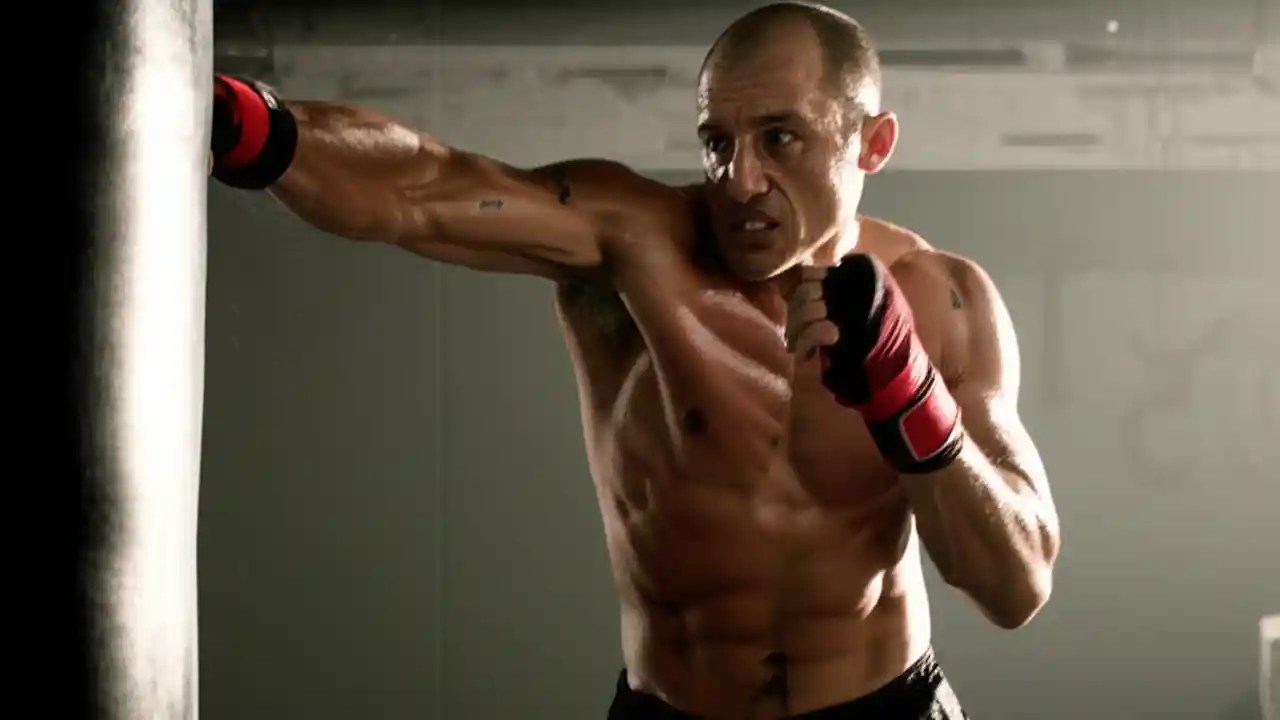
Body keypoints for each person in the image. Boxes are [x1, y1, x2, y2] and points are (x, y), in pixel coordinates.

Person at [207, 2, 1061, 718]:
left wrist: (905, 398)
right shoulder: (630, 243)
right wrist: (254, 128)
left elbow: (1016, 586)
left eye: (780, 138)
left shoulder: (945, 301)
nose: (739, 178)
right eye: (717, 140)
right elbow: (422, 188)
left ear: (871, 144)